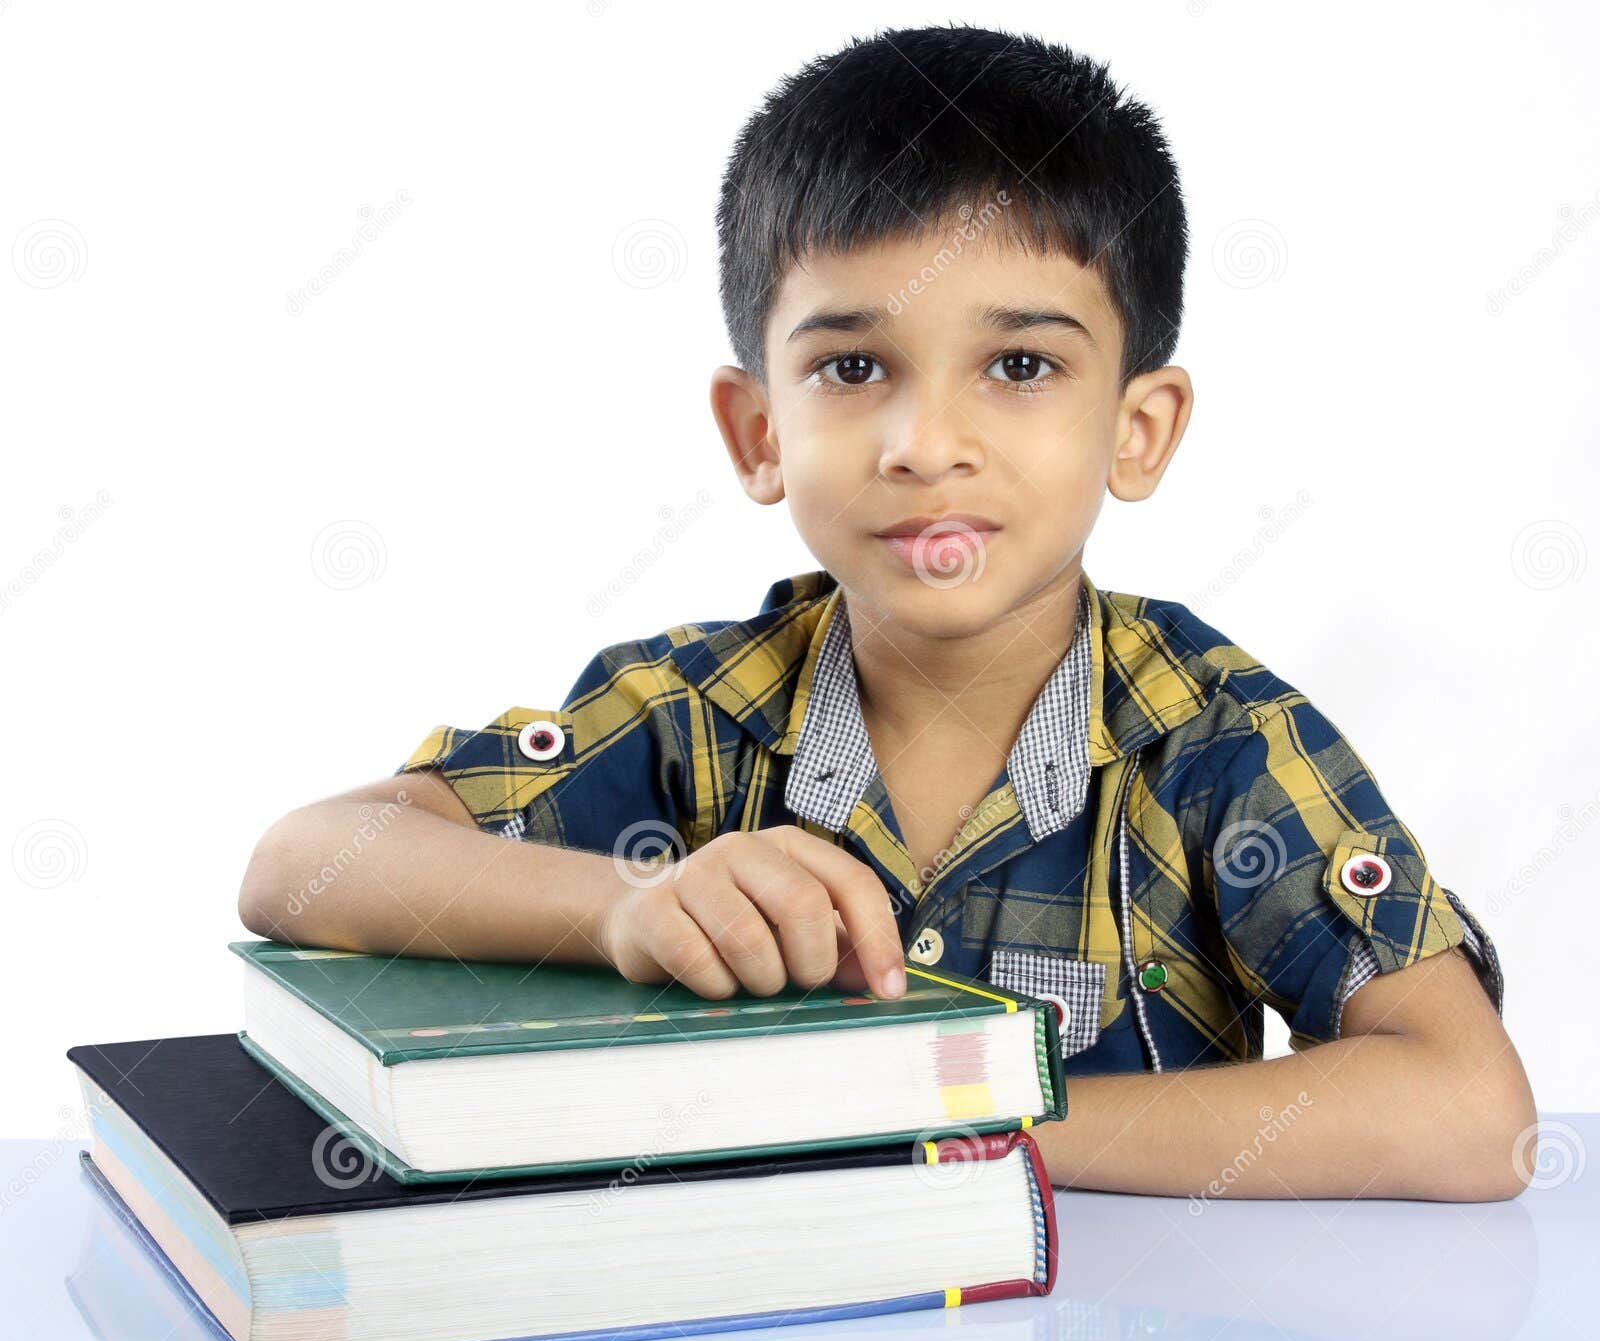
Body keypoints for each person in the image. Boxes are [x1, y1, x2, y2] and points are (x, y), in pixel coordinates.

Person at [238, 24, 1535, 1199]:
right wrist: (625, 909)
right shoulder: (692, 716)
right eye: (854, 367)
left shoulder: (1217, 744)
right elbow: (304, 863)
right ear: (760, 431)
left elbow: (1470, 1111)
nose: (928, 441)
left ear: (1138, 430)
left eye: (1019, 366)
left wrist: (969, 1123)